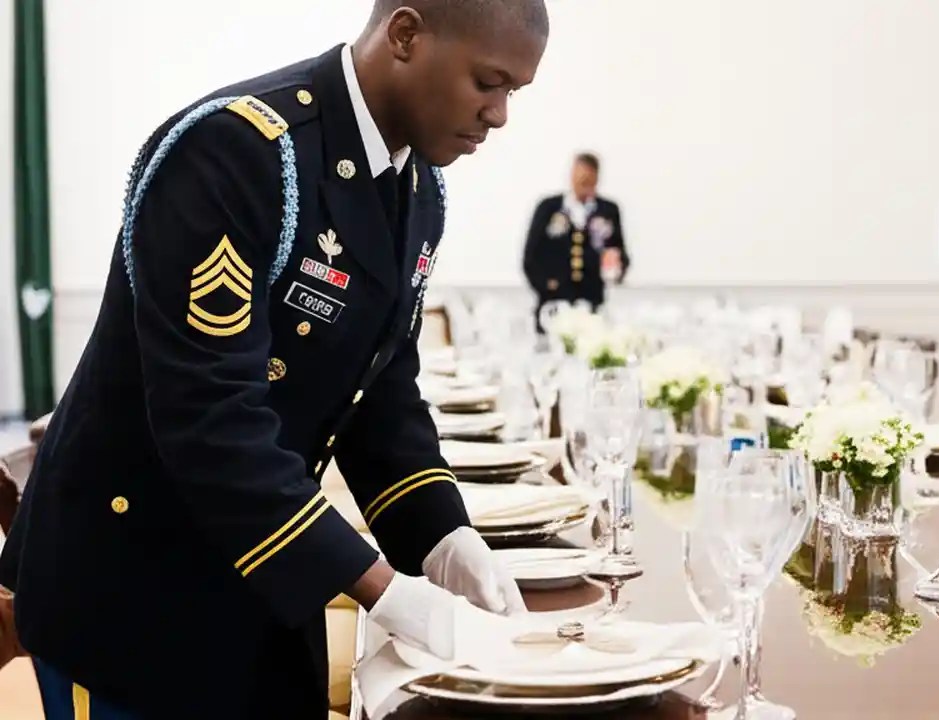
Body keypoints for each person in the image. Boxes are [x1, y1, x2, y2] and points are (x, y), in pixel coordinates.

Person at [0, 1, 548, 717]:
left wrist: (445, 536)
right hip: (132, 591)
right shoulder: (238, 151)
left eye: (514, 92)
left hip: (262, 587)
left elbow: (381, 398)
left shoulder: (418, 189)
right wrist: (383, 588)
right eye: (489, 81)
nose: (500, 114)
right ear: (407, 35)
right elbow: (208, 418)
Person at [523, 152, 629, 326]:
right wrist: (546, 285)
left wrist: (616, 269)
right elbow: (531, 255)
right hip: (553, 305)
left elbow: (618, 252)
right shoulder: (549, 208)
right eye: (580, 177)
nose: (584, 184)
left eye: (588, 179)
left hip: (592, 304)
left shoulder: (608, 210)